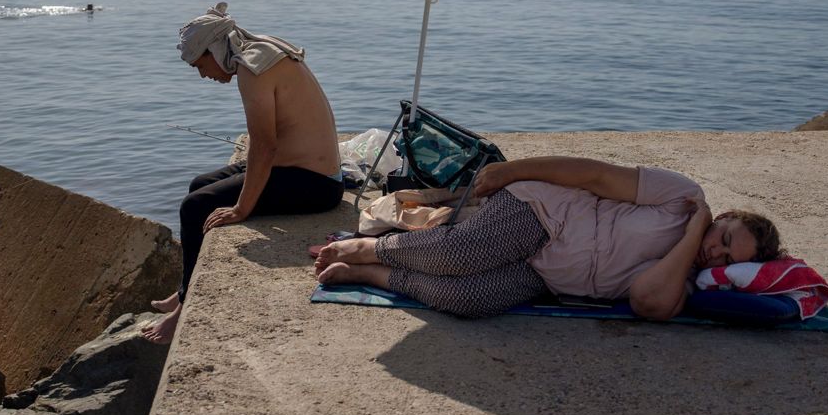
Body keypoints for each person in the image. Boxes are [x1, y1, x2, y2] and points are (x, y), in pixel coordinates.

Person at [313, 156, 783, 320]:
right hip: (547, 214)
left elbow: (648, 303)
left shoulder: (685, 279)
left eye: (724, 256)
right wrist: (513, 170)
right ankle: (370, 246)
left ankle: (376, 273)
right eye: (722, 234)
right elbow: (595, 176)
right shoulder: (682, 196)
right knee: (462, 251)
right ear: (723, 216)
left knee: (469, 300)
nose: (714, 249)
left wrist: (694, 238)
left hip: (548, 276)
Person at [144, 2, 343, 343]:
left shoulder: (253, 68)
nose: (203, 74)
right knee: (200, 185)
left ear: (214, 49)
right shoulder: (260, 49)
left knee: (195, 206)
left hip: (315, 183)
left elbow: (265, 147)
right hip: (300, 167)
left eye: (199, 64)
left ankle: (185, 310)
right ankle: (183, 291)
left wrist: (241, 209)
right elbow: (267, 142)